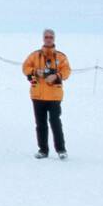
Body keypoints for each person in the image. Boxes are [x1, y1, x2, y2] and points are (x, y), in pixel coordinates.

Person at [22, 28, 72, 159]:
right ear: (43, 39)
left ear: (54, 39)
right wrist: (35, 71)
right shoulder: (35, 55)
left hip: (54, 96)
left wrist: (56, 76)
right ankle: (43, 150)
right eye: (46, 37)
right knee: (40, 124)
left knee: (55, 122)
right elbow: (25, 67)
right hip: (37, 95)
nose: (48, 39)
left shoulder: (61, 57)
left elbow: (67, 71)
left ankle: (61, 149)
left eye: (51, 37)